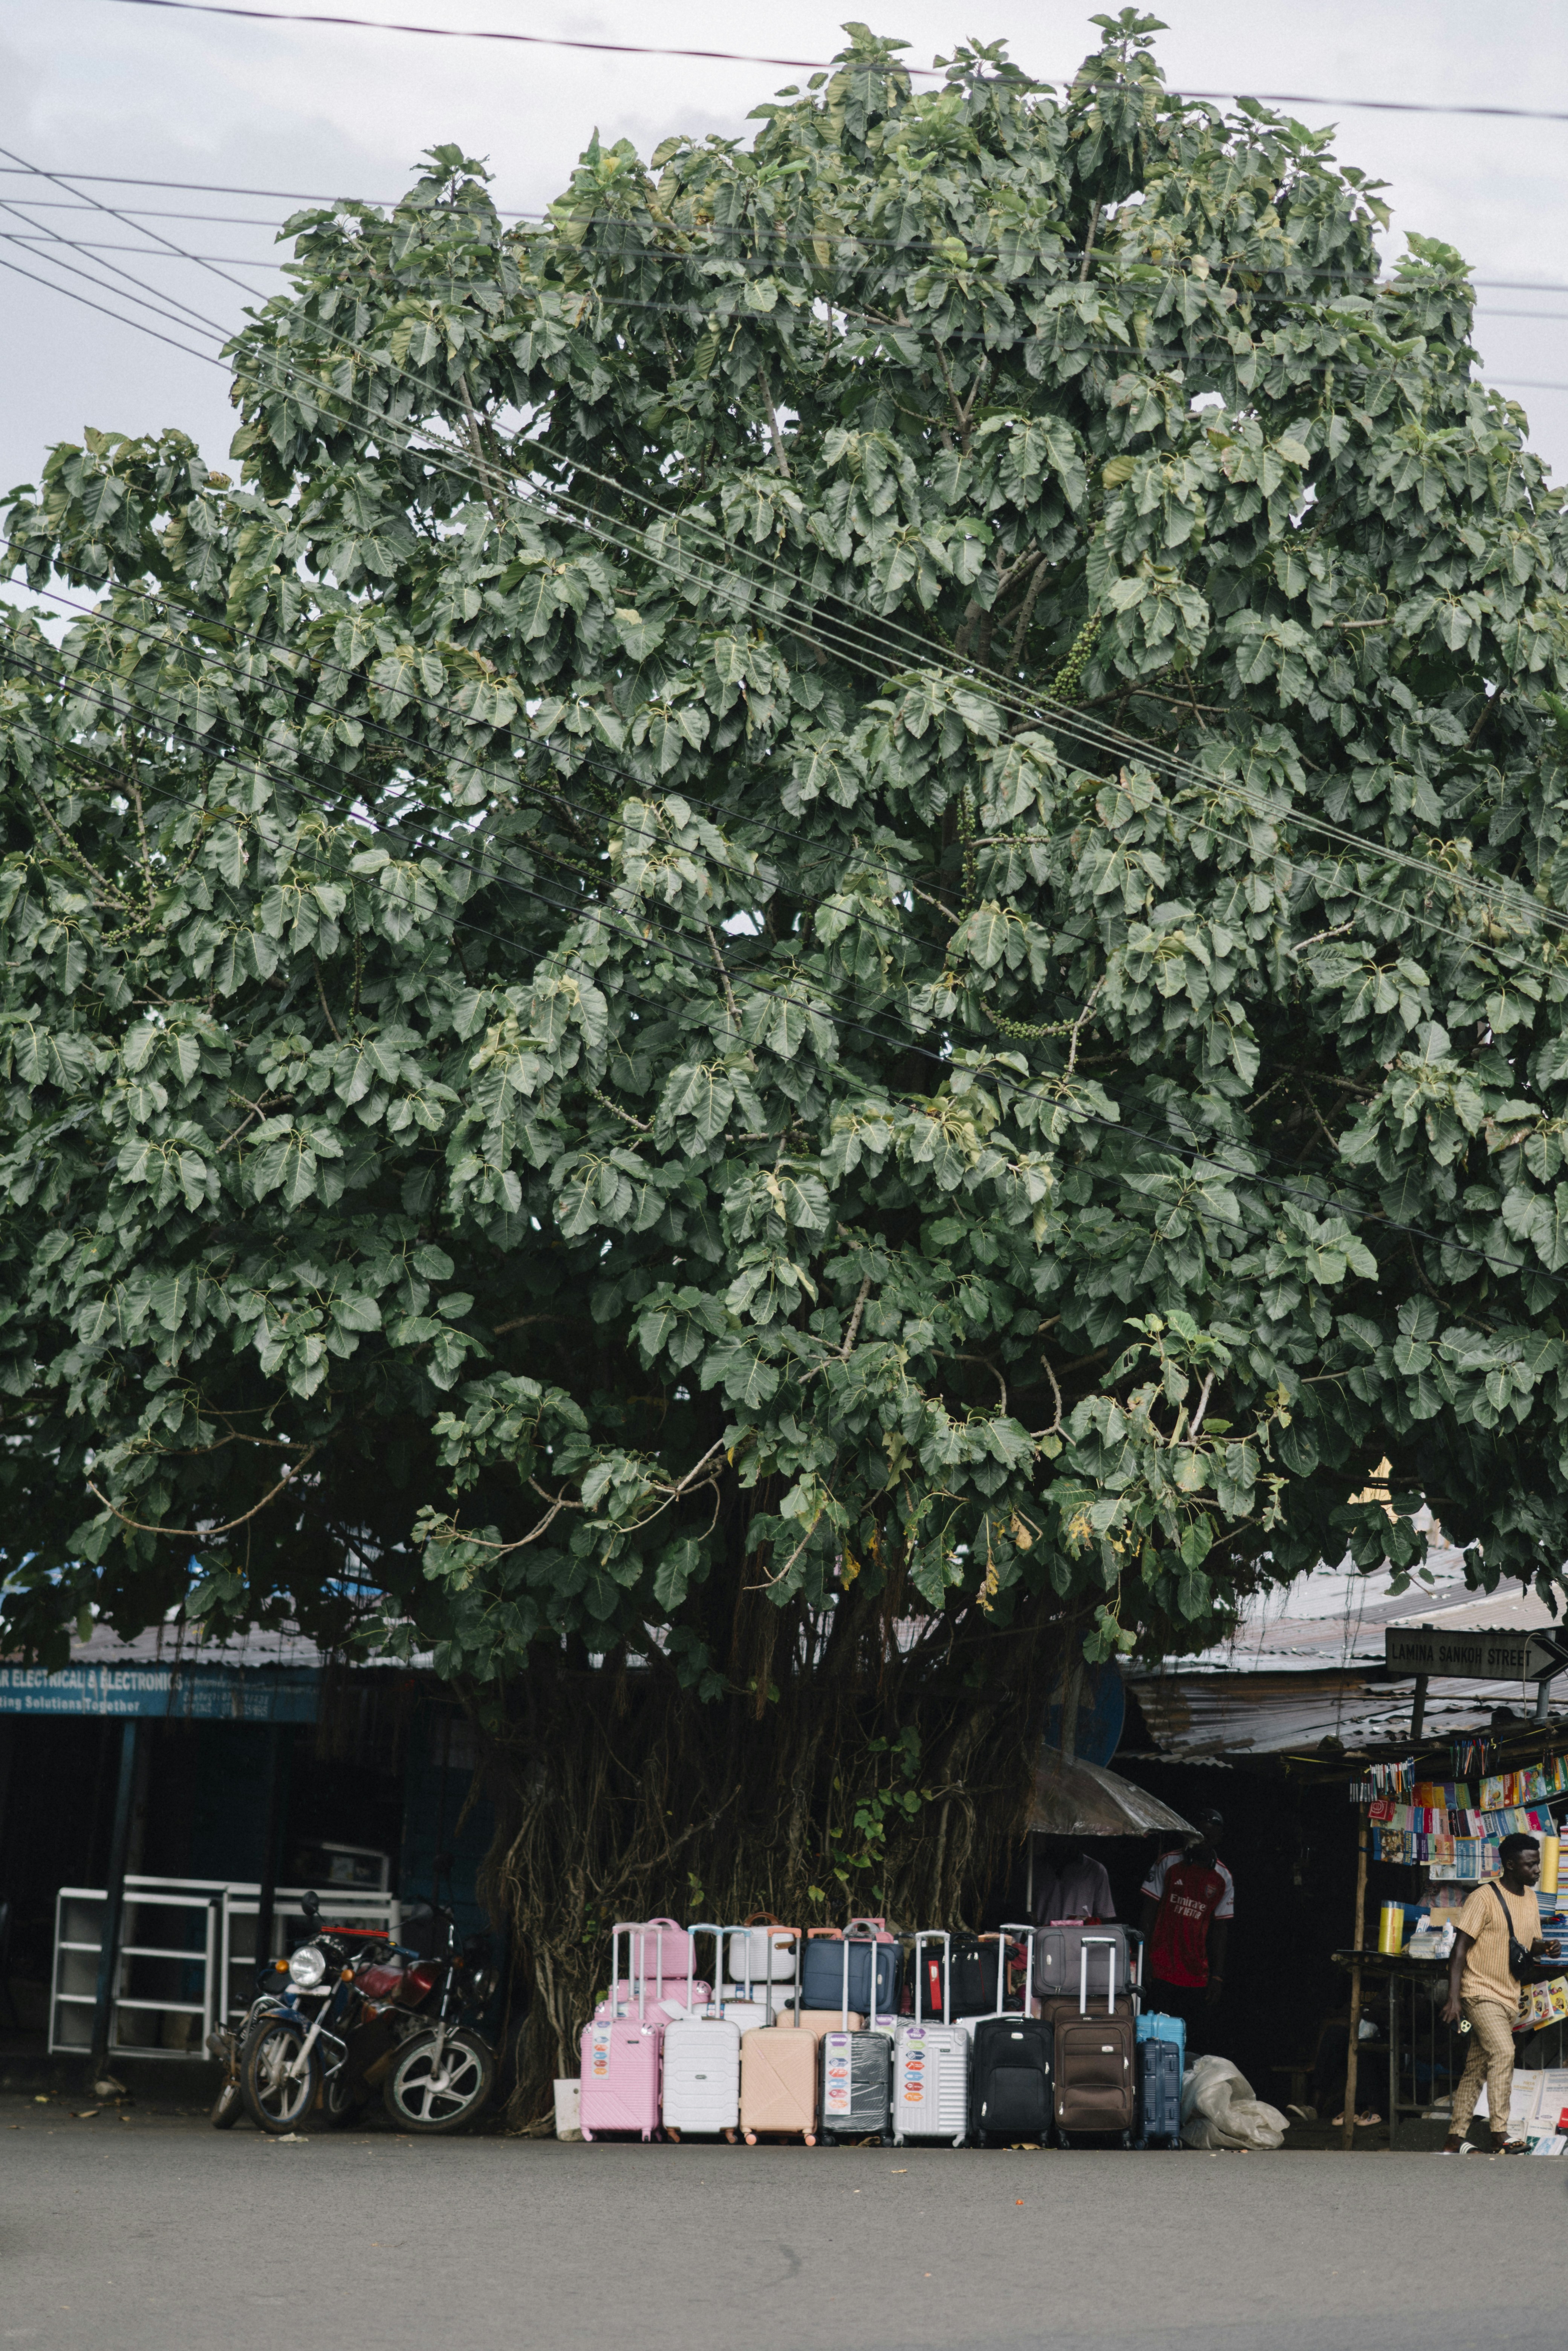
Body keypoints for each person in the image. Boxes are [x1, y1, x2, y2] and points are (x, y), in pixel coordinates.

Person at [1441, 1832, 1561, 2154]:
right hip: (1479, 1992)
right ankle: (1500, 2134)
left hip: (1509, 1995)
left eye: (1537, 1864)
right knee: (1504, 2052)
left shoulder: (1531, 1899)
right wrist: (1454, 1997)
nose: (1537, 1870)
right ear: (1510, 1865)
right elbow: (1459, 1949)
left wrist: (1546, 1947)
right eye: (1530, 1865)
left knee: (1476, 2066)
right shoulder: (1482, 1897)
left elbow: (1528, 1943)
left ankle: (1455, 2137)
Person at [1139, 1808, 1233, 2053]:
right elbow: (1147, 1914)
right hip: (1160, 1967)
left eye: (1209, 1837)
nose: (1202, 1842)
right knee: (1156, 2040)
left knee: (1192, 2043)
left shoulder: (1223, 1877)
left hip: (1195, 1974)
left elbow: (1220, 1930)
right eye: (1198, 1835)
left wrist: (1217, 1976)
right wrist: (1144, 1959)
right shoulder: (1167, 1863)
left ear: (1219, 1839)